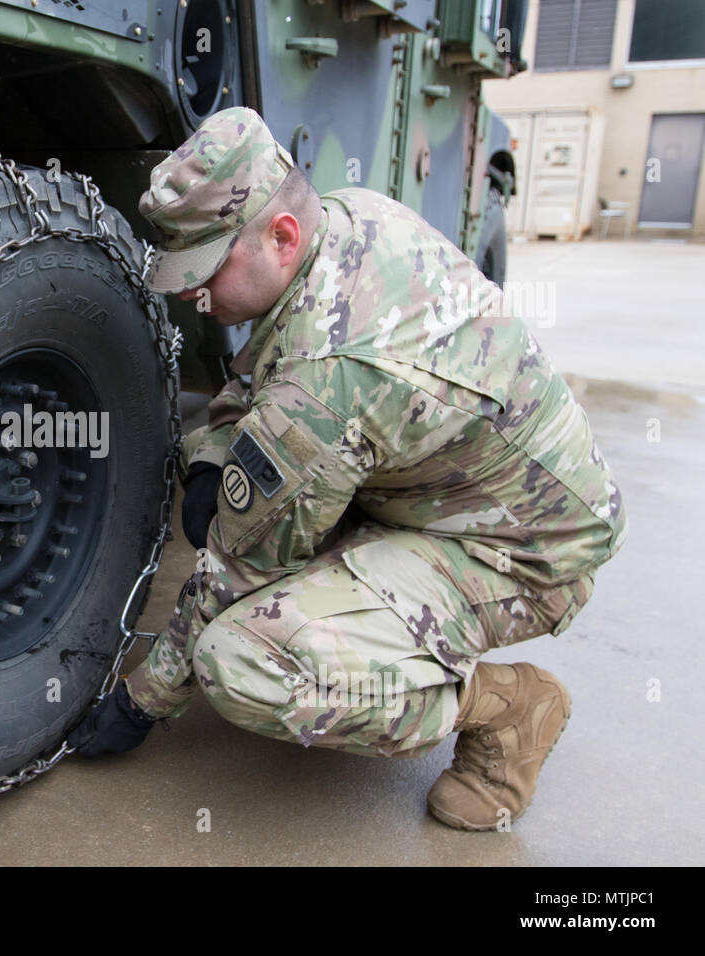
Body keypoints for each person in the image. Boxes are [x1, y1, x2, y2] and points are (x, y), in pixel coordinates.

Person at [68, 107, 627, 830]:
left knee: (240, 657)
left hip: (522, 551)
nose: (186, 293)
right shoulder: (345, 221)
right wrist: (214, 460)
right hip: (456, 490)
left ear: (281, 237)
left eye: (204, 270)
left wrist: (142, 701)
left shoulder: (333, 380)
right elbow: (268, 363)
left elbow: (239, 562)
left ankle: (507, 708)